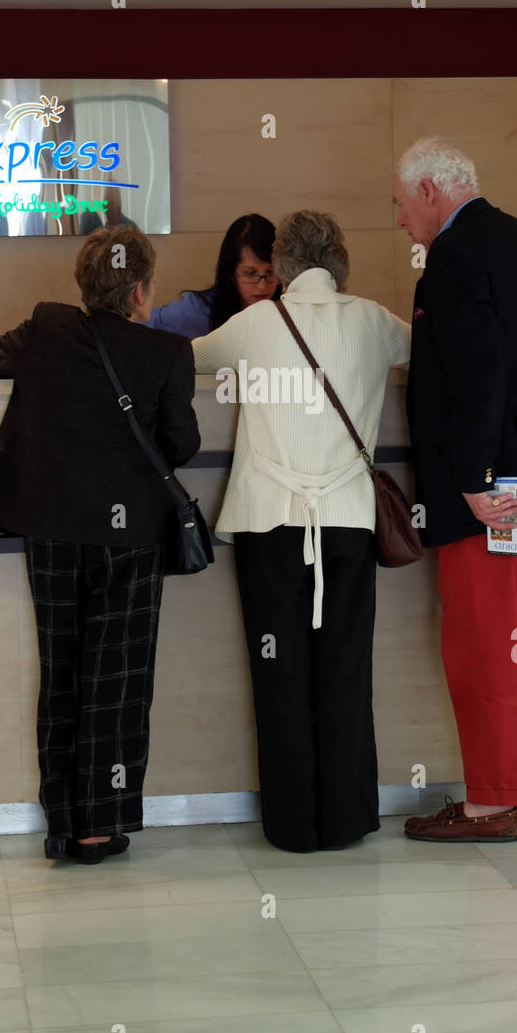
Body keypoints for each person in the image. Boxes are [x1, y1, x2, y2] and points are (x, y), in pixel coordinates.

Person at [0, 225, 200, 864]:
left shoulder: (48, 326)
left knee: (62, 672)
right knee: (117, 679)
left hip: (53, 528)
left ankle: (63, 824)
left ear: (83, 283)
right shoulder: (167, 352)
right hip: (130, 539)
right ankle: (101, 824)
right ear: (142, 288)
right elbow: (180, 445)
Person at [395, 138, 517, 845]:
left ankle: (493, 802)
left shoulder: (452, 255)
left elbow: (480, 373)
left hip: (495, 489)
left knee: (486, 644)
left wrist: (476, 479)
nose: (400, 222)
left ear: (428, 192)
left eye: (400, 204)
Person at [193, 211, 411, 852]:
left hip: (270, 523)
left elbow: (180, 363)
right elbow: (440, 352)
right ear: (339, 261)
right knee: (346, 670)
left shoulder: (253, 324)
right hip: (346, 520)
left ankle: (292, 826)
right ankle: (345, 820)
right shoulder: (374, 321)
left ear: (282, 264)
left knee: (278, 674)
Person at [145, 213, 281, 337]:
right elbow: (140, 322)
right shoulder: (199, 311)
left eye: (271, 272)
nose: (263, 286)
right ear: (231, 273)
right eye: (250, 274)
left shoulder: (291, 308)